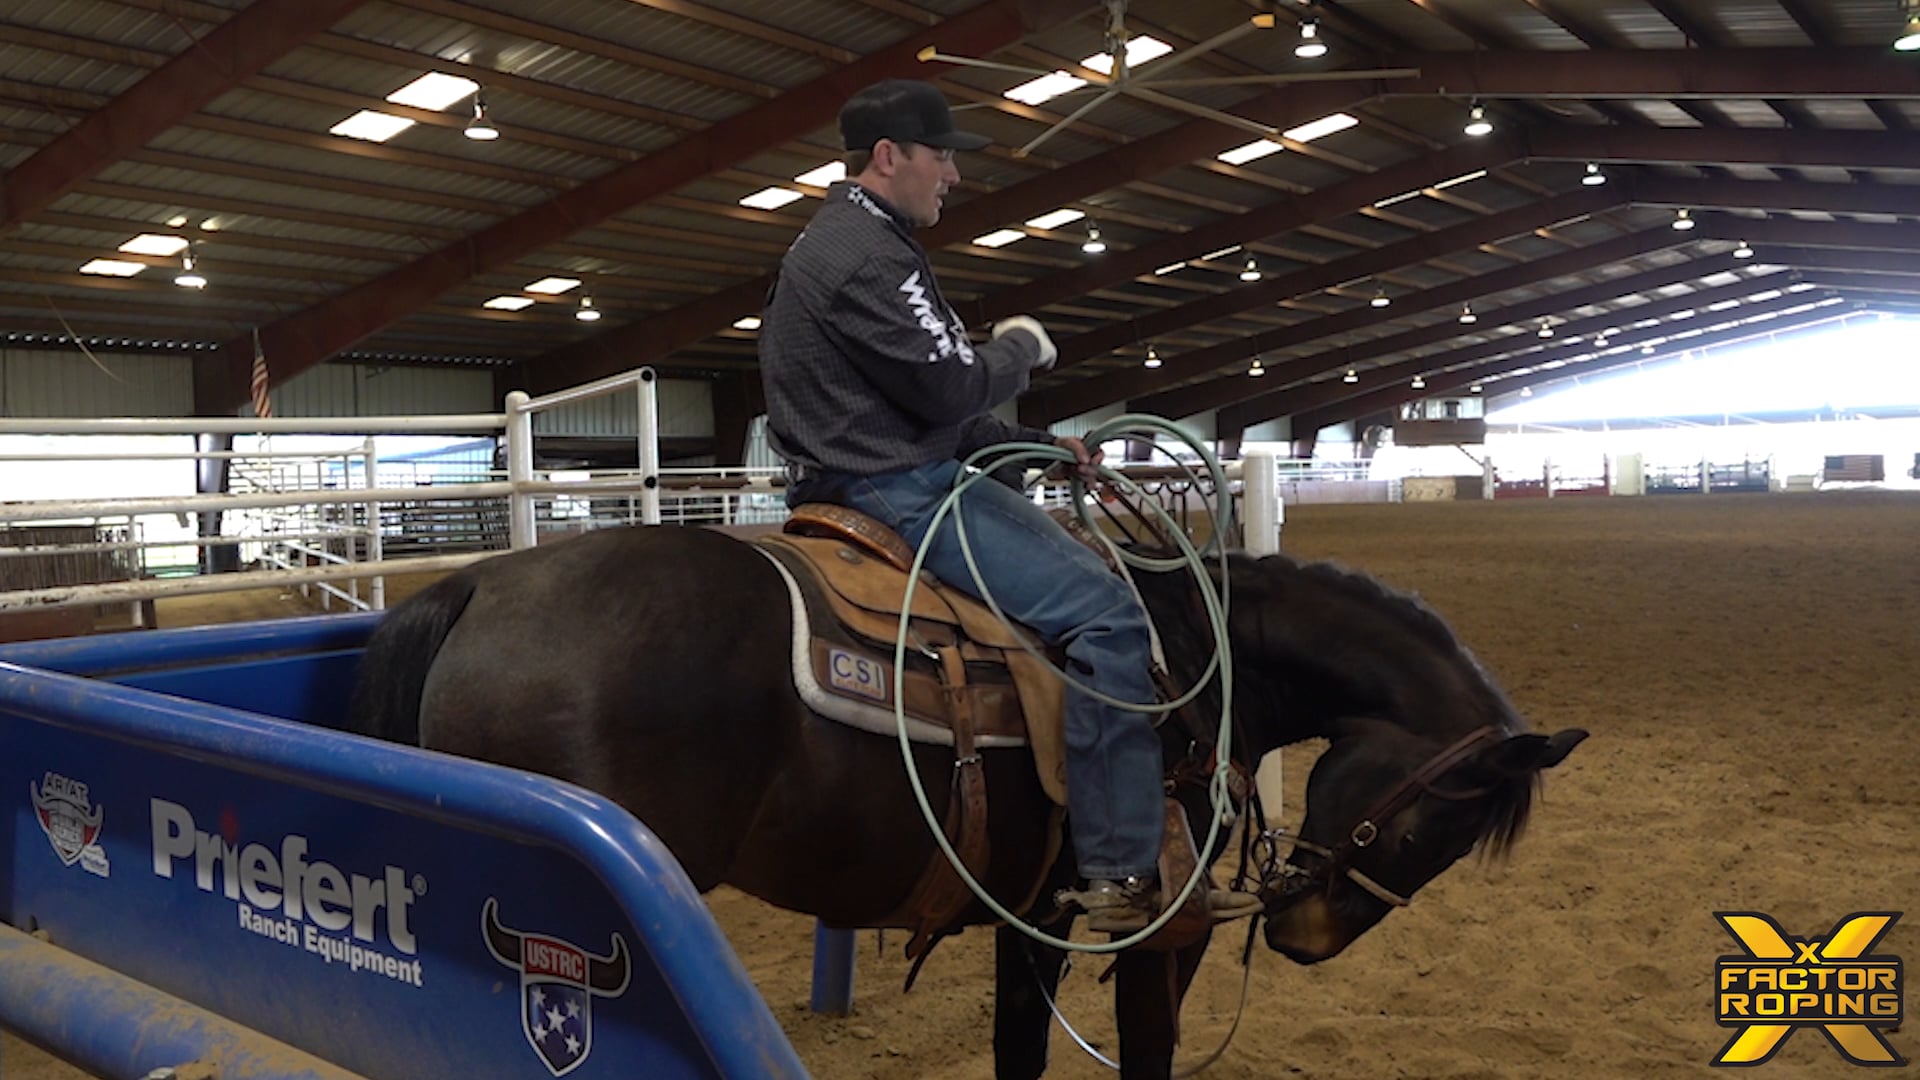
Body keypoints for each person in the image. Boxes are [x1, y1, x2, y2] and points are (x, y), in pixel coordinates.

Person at [757, 79, 1257, 932]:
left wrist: (1027, 443)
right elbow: (948, 384)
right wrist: (1021, 351)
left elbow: (916, 401)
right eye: (941, 155)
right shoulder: (871, 256)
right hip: (895, 487)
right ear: (891, 157)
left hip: (860, 468)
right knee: (1107, 618)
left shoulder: (835, 244)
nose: (951, 174)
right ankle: (1122, 868)